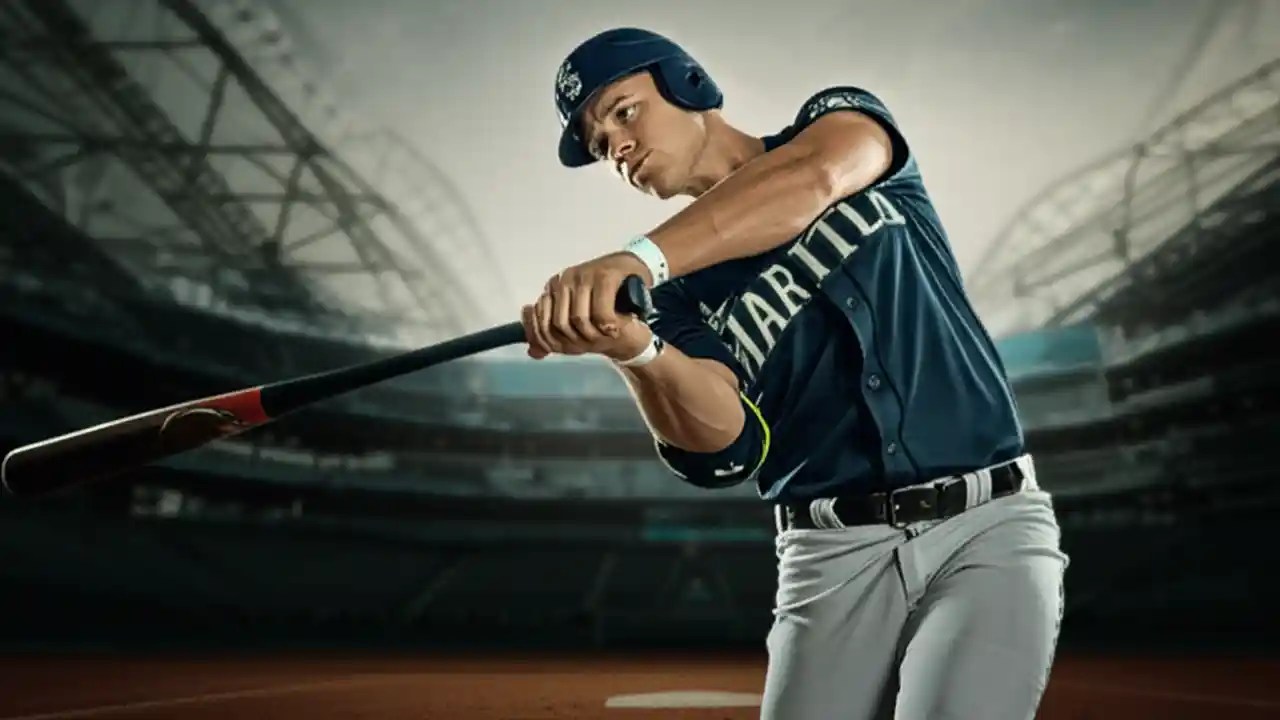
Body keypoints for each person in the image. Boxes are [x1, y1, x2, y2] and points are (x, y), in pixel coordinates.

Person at [521, 26, 1068, 720]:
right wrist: (633, 349)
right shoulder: (677, 304)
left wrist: (638, 260)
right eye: (600, 145)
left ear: (688, 85)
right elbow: (725, 445)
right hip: (829, 556)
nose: (616, 148)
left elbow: (812, 179)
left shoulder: (837, 124)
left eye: (624, 112)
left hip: (987, 524)